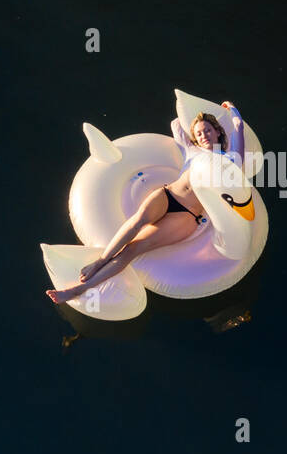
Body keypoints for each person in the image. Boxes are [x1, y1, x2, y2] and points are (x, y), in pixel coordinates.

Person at [46, 101, 245, 304]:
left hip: (187, 215)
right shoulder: (192, 150)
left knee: (134, 249)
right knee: (136, 222)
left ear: (218, 132)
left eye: (208, 130)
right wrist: (196, 118)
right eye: (200, 133)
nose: (204, 135)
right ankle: (100, 261)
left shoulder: (229, 159)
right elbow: (175, 124)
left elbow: (238, 131)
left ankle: (78, 289)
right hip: (167, 195)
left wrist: (233, 112)